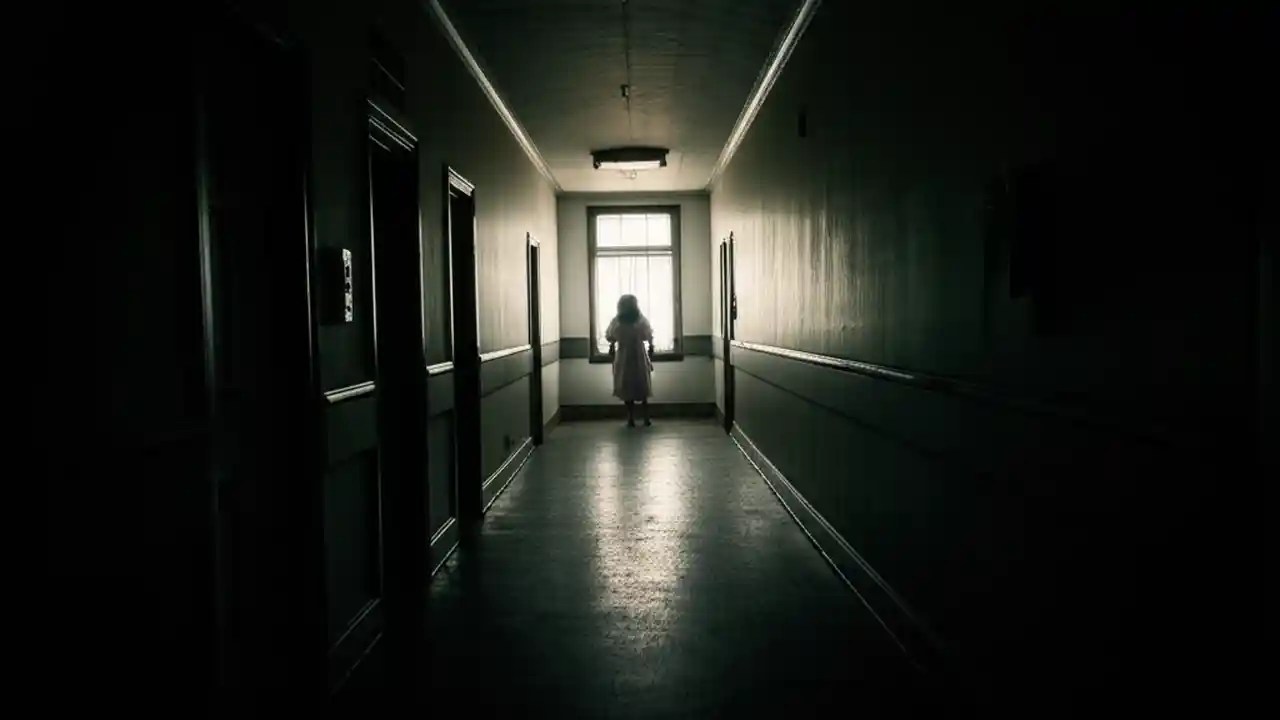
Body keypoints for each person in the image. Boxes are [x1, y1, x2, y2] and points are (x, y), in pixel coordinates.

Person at [606, 294, 654, 427]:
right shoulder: (639, 320)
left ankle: (631, 418)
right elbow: (648, 335)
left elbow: (610, 336)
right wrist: (650, 345)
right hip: (636, 354)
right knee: (640, 385)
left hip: (625, 355)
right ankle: (643, 417)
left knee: (629, 385)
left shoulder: (618, 321)